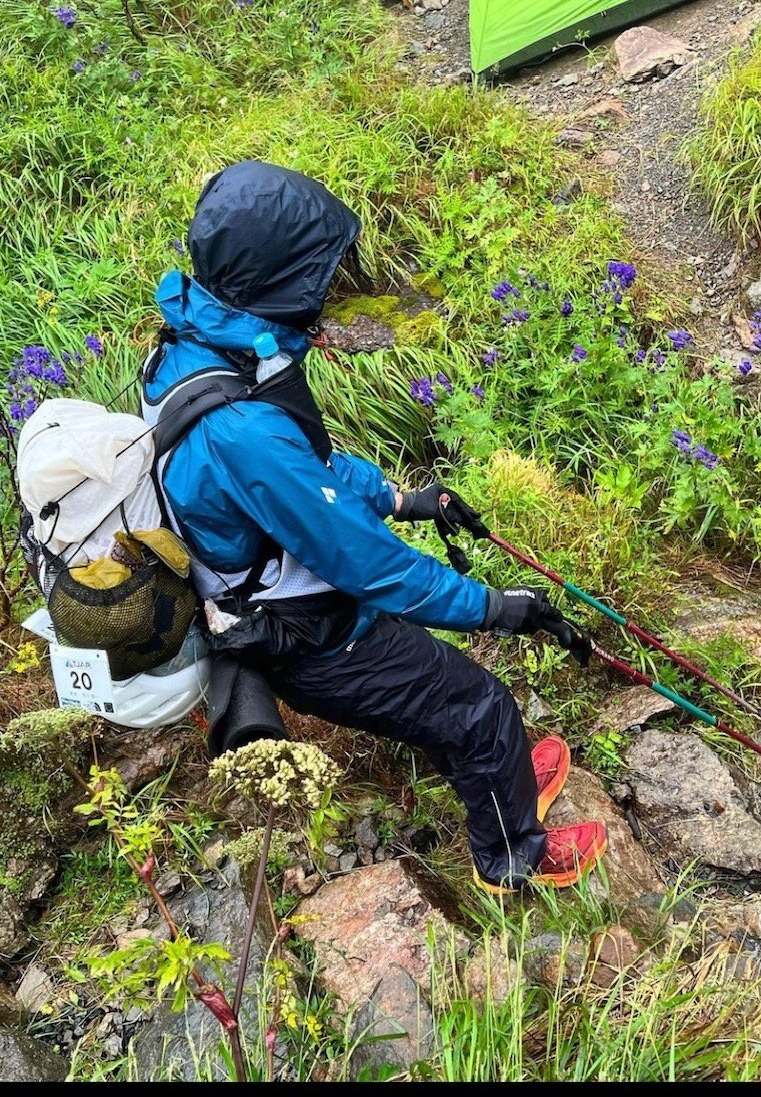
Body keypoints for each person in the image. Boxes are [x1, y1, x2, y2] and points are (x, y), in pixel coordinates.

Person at [142, 159, 607, 892]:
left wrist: (403, 499)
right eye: (317, 276)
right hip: (314, 636)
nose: (329, 290)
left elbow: (310, 470)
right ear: (277, 280)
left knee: (449, 701)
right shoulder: (241, 430)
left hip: (298, 603)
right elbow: (371, 566)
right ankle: (511, 858)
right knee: (481, 707)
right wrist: (497, 609)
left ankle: (501, 772)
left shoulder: (198, 347)